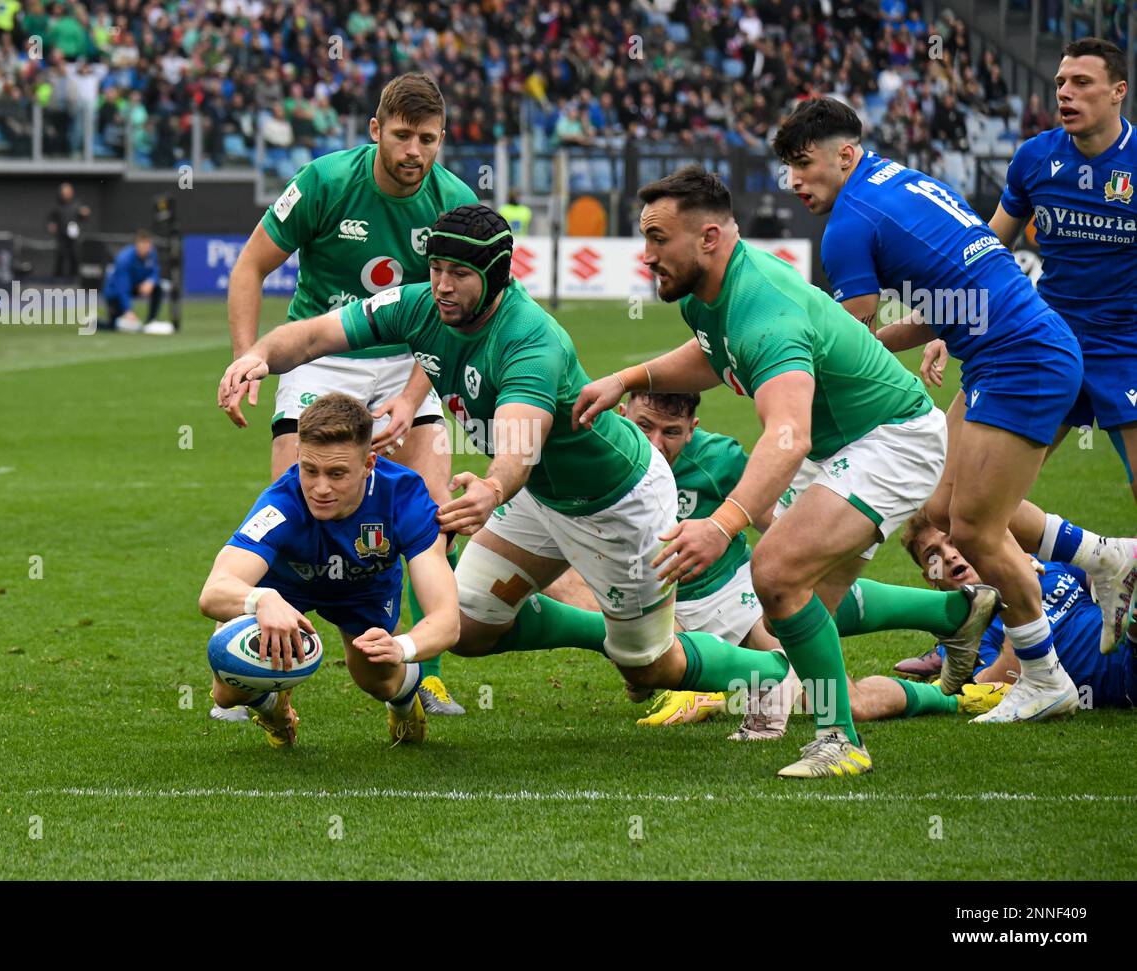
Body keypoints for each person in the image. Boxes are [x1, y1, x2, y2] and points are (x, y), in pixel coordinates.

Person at [220, 204, 767, 758]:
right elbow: (314, 337)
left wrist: (492, 488)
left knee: (653, 667)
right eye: (435, 269)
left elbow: (517, 450)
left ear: (498, 274)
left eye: (459, 274)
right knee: (473, 627)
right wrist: (258, 357)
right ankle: (606, 630)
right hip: (538, 498)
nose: (441, 286)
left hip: (616, 502)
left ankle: (774, 673)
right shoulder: (418, 306)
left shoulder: (531, 341)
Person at [573, 167, 948, 778]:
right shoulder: (707, 294)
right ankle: (953, 626)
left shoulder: (763, 309)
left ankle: (840, 741)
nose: (646, 256)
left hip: (890, 440)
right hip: (843, 445)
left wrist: (721, 525)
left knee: (774, 573)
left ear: (710, 238)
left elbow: (787, 436)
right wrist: (627, 378)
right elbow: (712, 354)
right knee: (797, 603)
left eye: (657, 239)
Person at [772, 96, 1122, 724]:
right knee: (938, 510)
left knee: (974, 532)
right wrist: (907, 337)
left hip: (1022, 359)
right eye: (788, 168)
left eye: (804, 165)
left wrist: (779, 367)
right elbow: (954, 293)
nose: (794, 181)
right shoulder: (902, 180)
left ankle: (1045, 679)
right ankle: (1103, 555)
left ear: (845, 155)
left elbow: (845, 331)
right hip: (1012, 350)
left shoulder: (850, 222)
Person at [224, 73, 478, 716]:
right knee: (299, 500)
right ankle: (266, 672)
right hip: (321, 353)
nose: (414, 151)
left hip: (409, 357)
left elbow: (449, 316)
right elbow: (250, 266)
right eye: (401, 136)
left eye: (428, 138)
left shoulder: (452, 204)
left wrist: (413, 391)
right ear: (375, 131)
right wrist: (247, 359)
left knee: (433, 502)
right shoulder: (324, 182)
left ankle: (424, 668)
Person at [199, 393, 459, 747]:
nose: (320, 488)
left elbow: (447, 620)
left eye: (337, 473)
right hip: (286, 588)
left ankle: (402, 702)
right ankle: (273, 707)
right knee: (228, 691)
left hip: (363, 587)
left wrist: (401, 646)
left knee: (377, 676)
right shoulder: (282, 503)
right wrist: (260, 599)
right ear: (298, 457)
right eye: (310, 470)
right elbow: (214, 591)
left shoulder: (405, 498)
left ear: (369, 463)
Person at [988, 40, 1137, 510]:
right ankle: (1089, 564)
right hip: (1053, 341)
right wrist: (947, 323)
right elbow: (988, 251)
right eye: (1060, 83)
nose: (1065, 93)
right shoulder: (1034, 158)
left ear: (1118, 91)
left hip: (1126, 346)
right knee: (984, 502)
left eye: (1081, 83)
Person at [854, 512, 1135, 721]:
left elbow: (1111, 581)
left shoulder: (1041, 564)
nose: (949, 556)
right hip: (1126, 673)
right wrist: (1023, 601)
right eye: (933, 555)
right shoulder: (966, 630)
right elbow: (997, 683)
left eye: (954, 542)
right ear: (930, 578)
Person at [99, 230, 165, 332]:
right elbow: (122, 287)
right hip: (114, 292)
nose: (145, 249)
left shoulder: (152, 254)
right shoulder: (124, 259)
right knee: (116, 326)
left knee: (157, 288)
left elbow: (155, 270)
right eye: (143, 245)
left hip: (136, 286)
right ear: (136, 245)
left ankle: (151, 321)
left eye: (148, 246)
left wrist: (151, 281)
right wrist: (128, 310)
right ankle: (94, 323)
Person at [48, 182, 90, 280]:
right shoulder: (57, 205)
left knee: (75, 256)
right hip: (61, 235)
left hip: (73, 236)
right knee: (60, 255)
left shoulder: (77, 204)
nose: (67, 193)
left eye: (68, 191)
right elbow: (51, 218)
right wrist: (52, 224)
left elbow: (83, 216)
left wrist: (85, 214)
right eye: (64, 192)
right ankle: (57, 279)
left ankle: (74, 278)